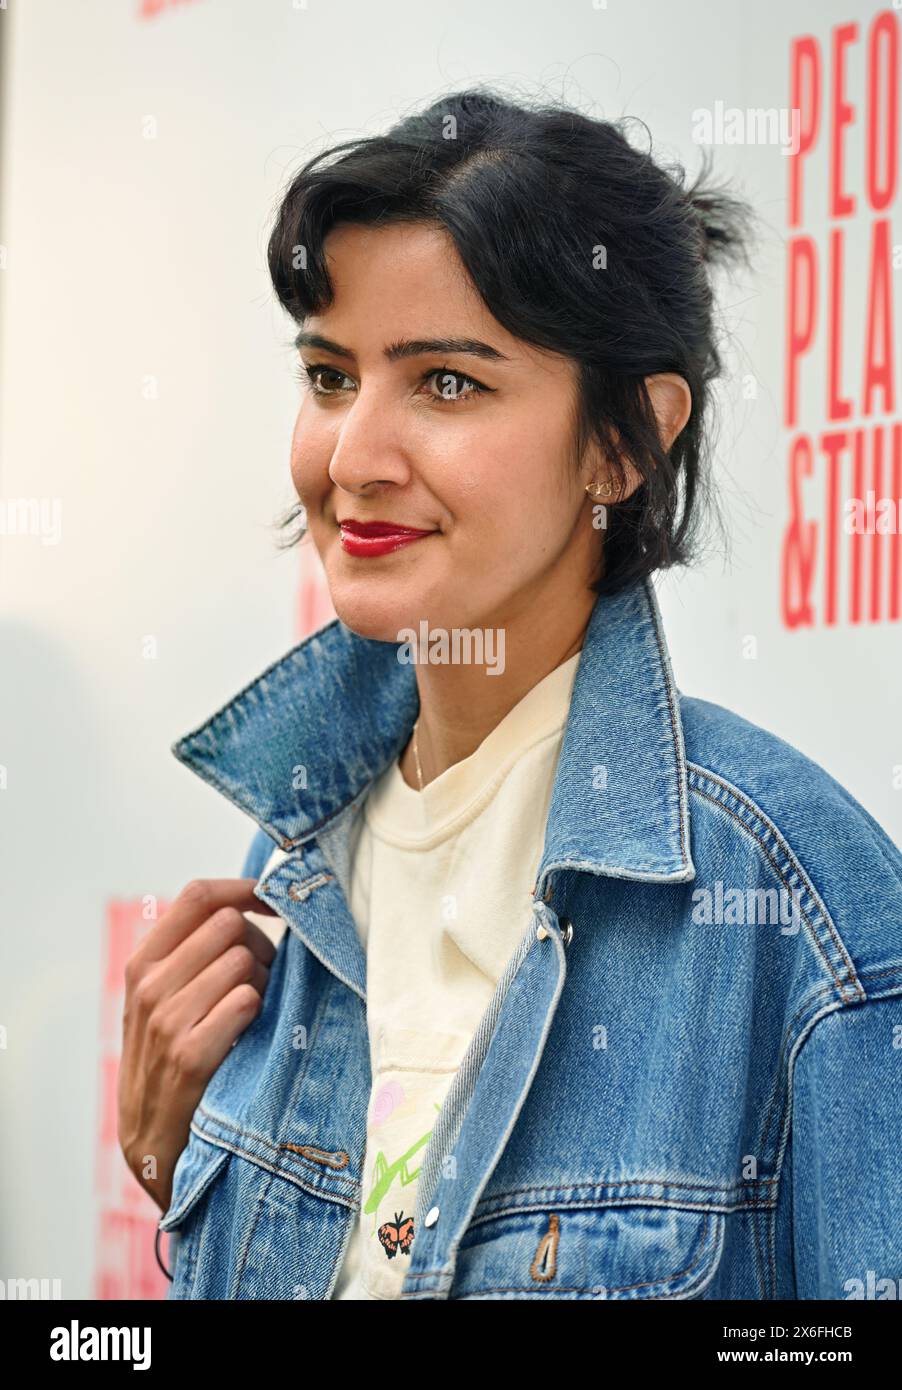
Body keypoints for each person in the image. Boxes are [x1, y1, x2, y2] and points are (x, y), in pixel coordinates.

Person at [118, 87, 902, 1300]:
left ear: (623, 444)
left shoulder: (801, 915)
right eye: (331, 377)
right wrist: (169, 1168)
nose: (354, 457)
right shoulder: (291, 868)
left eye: (444, 384)